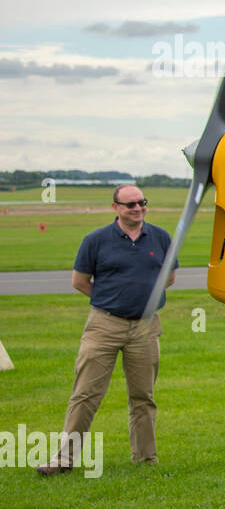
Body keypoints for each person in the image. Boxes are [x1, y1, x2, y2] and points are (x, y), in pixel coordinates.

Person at [38, 185, 175, 474]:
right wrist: (110, 301)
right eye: (130, 205)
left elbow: (169, 277)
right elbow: (80, 281)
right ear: (115, 208)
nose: (137, 208)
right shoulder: (96, 240)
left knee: (143, 397)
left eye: (142, 202)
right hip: (104, 325)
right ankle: (63, 460)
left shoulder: (161, 237)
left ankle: (146, 458)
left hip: (145, 328)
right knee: (85, 394)